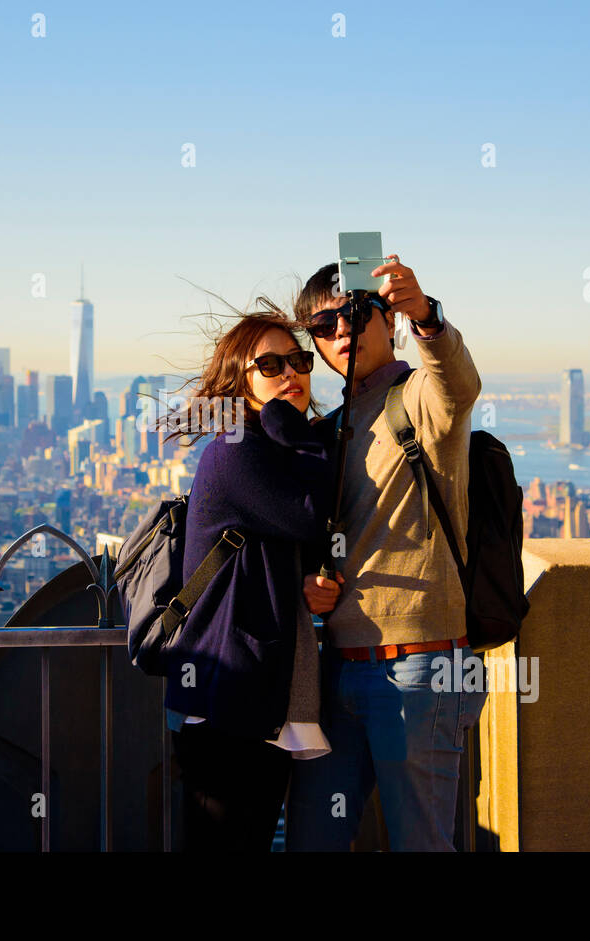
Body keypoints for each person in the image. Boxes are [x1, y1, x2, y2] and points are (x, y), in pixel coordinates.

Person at [285, 255, 487, 851]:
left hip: (420, 670)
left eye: (355, 315)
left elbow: (459, 383)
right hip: (339, 670)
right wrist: (310, 584)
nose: (343, 332)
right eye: (325, 327)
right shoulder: (329, 430)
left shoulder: (418, 401)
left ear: (386, 317)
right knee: (311, 842)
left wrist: (426, 314)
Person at [157, 297, 342, 851]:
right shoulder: (236, 450)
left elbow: (281, 543)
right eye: (271, 366)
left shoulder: (263, 448)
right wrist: (298, 428)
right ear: (241, 383)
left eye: (300, 360)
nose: (291, 373)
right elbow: (313, 515)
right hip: (227, 704)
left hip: (253, 698)